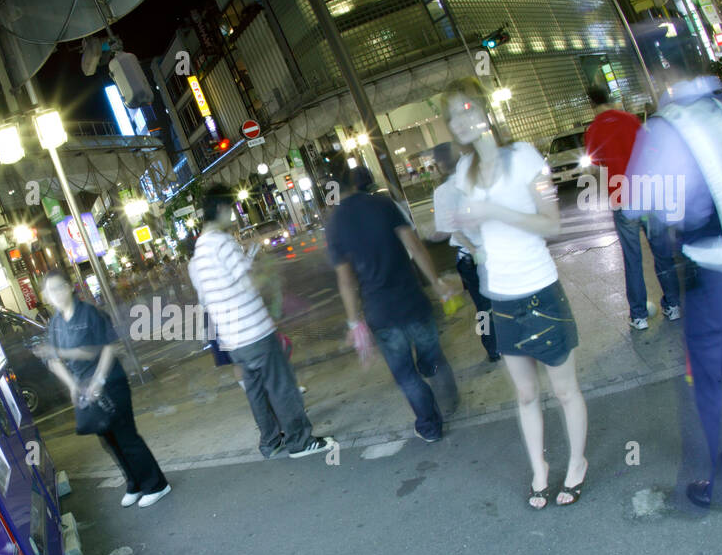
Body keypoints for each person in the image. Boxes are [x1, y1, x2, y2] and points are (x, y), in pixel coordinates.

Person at [625, 37, 722, 510]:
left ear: (660, 72)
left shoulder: (671, 127)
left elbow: (642, 202)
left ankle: (711, 483)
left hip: (711, 277)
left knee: (706, 382)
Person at [441, 77, 589, 509]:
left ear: (484, 109)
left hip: (540, 290)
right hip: (501, 298)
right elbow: (467, 232)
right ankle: (539, 470)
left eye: (466, 108)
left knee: (564, 390)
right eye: (451, 116)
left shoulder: (523, 156)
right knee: (525, 394)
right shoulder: (463, 173)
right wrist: (467, 234)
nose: (459, 121)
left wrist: (494, 210)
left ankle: (577, 463)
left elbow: (552, 222)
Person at [188, 185, 335, 459]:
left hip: (232, 338)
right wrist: (265, 272)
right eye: (231, 210)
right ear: (221, 209)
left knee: (255, 392)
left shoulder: (198, 254)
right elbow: (249, 284)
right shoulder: (223, 243)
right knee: (282, 386)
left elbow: (207, 298)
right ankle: (300, 442)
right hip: (254, 331)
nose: (233, 216)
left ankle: (270, 442)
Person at [325, 152, 461, 443]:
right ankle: (450, 401)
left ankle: (430, 426)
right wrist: (436, 282)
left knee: (405, 374)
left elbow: (346, 280)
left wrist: (353, 322)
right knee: (432, 356)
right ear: (354, 181)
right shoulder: (383, 204)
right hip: (413, 300)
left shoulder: (335, 224)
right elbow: (415, 246)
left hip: (381, 312)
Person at [37, 271, 171, 508]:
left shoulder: (89, 313)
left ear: (69, 287)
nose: (55, 294)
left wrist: (98, 380)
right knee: (108, 440)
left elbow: (105, 348)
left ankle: (156, 485)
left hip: (110, 382)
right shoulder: (56, 323)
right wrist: (73, 386)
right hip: (86, 389)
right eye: (49, 291)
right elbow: (53, 360)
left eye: (58, 287)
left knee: (126, 436)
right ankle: (134, 483)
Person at [583, 85, 681, 330]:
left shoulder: (593, 130)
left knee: (632, 259)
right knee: (662, 253)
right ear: (609, 98)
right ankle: (673, 305)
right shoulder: (630, 120)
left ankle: (638, 316)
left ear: (591, 104)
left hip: (622, 199)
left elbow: (595, 164)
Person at [429, 141, 500, 363]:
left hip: (470, 257)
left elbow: (451, 230)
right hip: (494, 249)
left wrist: (472, 249)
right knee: (504, 297)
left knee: (483, 307)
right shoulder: (476, 179)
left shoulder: (442, 192)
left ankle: (494, 348)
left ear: (440, 164)